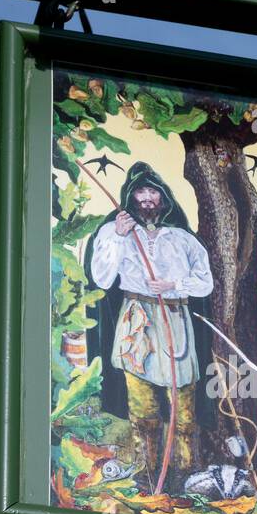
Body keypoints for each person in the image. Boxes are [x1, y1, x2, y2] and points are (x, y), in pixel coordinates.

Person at [88, 161, 214, 481]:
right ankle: (147, 468)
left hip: (174, 317)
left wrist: (174, 285)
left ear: (163, 198)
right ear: (131, 198)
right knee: (142, 403)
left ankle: (186, 471)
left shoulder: (182, 238)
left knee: (183, 401)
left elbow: (205, 281)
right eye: (141, 192)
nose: (146, 198)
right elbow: (101, 278)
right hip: (137, 321)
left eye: (152, 192)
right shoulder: (114, 232)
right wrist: (117, 237)